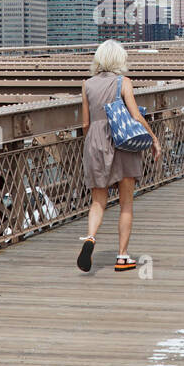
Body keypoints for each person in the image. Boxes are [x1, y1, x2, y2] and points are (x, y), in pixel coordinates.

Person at [77, 39, 161, 274]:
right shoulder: (123, 82)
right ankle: (123, 257)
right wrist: (153, 138)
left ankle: (91, 238)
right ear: (119, 60)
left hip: (95, 142)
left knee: (97, 201)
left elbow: (85, 123)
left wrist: (92, 141)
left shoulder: (86, 84)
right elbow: (135, 116)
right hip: (122, 143)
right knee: (126, 204)